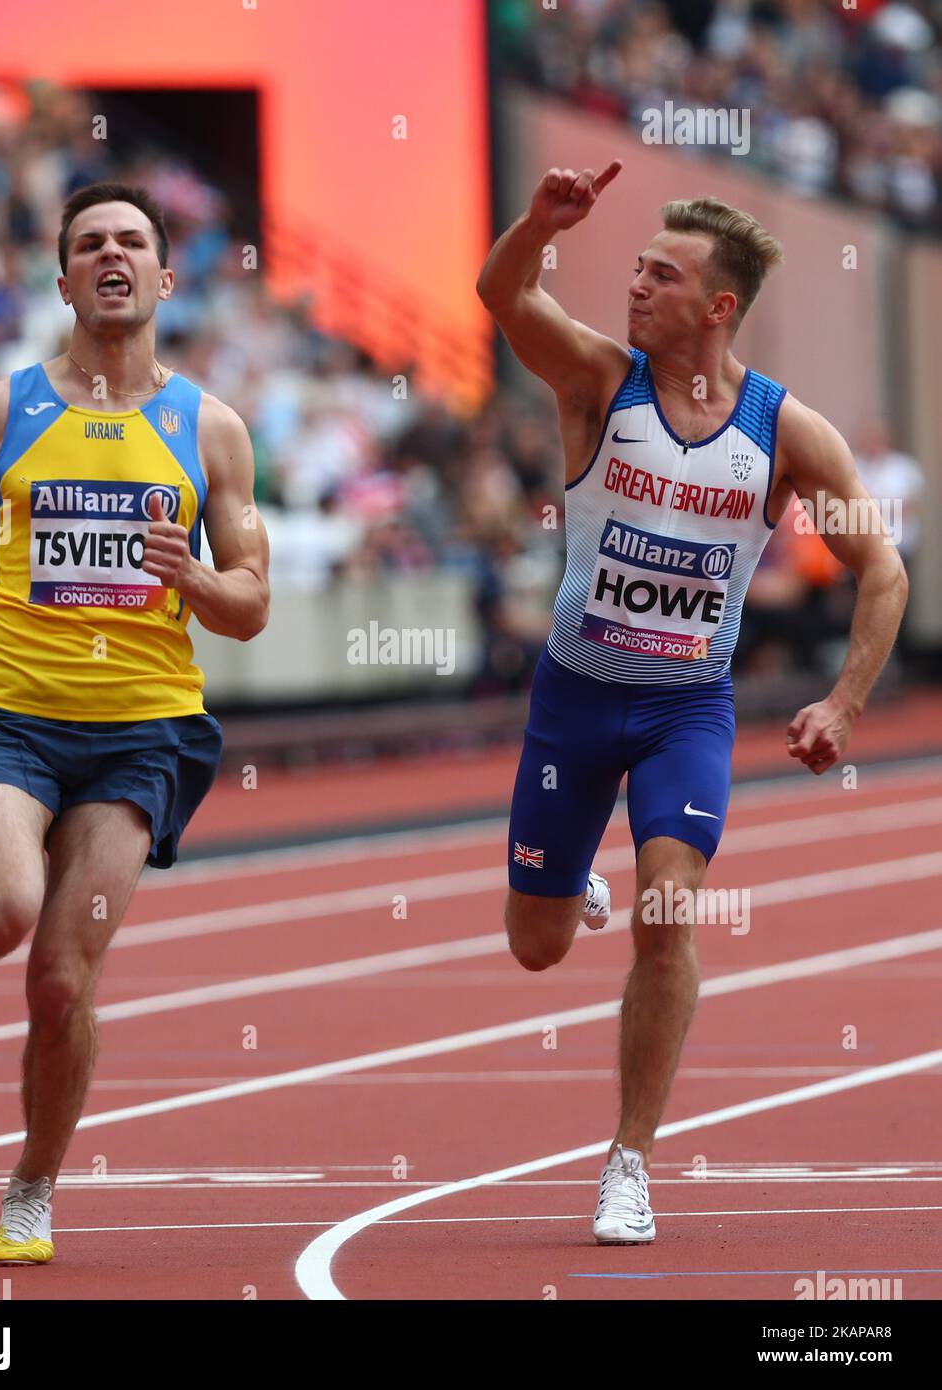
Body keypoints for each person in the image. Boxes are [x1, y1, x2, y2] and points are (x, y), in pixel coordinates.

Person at [476, 164, 907, 1245]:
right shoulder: (596, 379)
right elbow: (503, 299)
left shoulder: (785, 431)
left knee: (666, 918)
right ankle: (567, 880)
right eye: (632, 267)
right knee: (535, 946)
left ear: (718, 306)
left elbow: (884, 569)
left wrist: (844, 705)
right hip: (573, 701)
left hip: (685, 712)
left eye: (661, 276)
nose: (635, 286)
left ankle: (630, 1159)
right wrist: (539, 224)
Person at [0, 182, 270, 1265]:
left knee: (63, 978)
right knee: (5, 907)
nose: (112, 255)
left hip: (143, 730)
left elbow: (250, 606)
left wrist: (192, 577)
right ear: (63, 280)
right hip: (8, 710)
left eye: (133, 242)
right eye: (90, 244)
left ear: (163, 277)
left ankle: (31, 1188)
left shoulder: (210, 428)